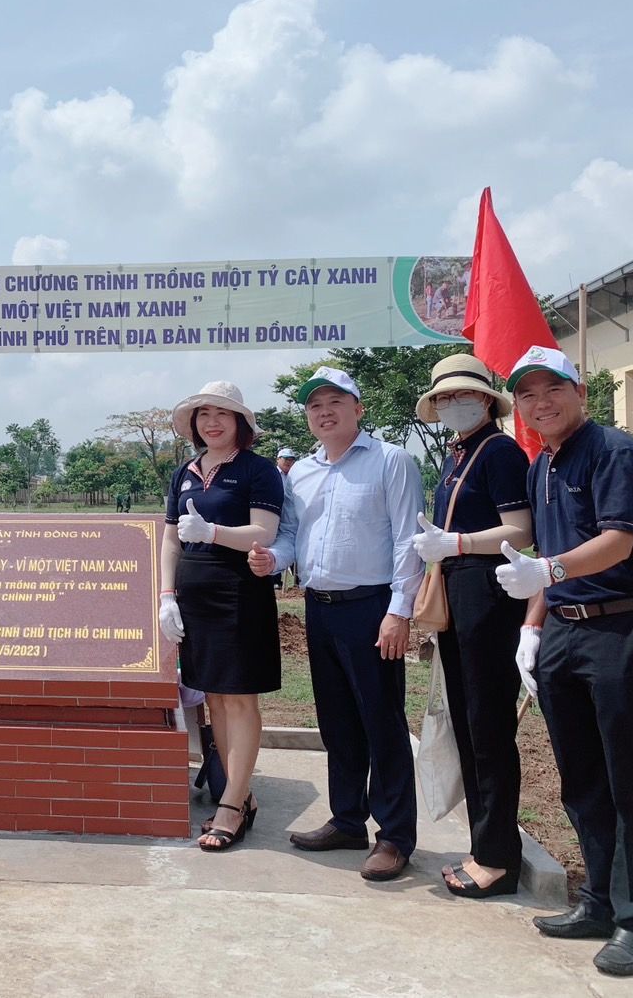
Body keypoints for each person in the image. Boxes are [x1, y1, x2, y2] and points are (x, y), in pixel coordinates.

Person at [496, 346, 633, 977]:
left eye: (552, 390)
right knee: (582, 776)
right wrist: (533, 626)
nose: (540, 403)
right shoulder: (540, 463)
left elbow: (616, 541)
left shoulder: (614, 451)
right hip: (567, 633)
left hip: (623, 626)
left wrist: (548, 569)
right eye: (526, 395)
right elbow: (542, 557)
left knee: (632, 777)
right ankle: (599, 901)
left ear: (581, 393)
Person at [250, 366, 422, 881]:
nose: (324, 412)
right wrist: (273, 561)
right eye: (314, 406)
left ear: (357, 409)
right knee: (337, 722)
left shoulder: (391, 461)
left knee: (382, 722)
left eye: (335, 402)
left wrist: (399, 610)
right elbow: (292, 536)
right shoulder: (300, 472)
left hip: (372, 608)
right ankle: (347, 819)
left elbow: (406, 542)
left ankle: (394, 835)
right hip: (319, 609)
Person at [408, 355, 532, 899]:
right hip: (458, 593)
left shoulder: (500, 451)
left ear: (486, 399)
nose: (452, 404)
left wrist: (455, 543)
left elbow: (520, 529)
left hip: (487, 593)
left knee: (488, 727)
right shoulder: (459, 454)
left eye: (463, 395)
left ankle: (498, 857)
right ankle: (488, 844)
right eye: (443, 399)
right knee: (468, 722)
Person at [157, 381, 281, 852]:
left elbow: (262, 532)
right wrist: (167, 595)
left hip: (239, 593)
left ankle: (231, 804)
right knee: (212, 697)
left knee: (239, 698)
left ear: (240, 424)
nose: (212, 422)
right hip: (193, 597)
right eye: (203, 414)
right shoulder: (183, 472)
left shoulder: (257, 470)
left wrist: (211, 532)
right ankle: (239, 794)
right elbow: (171, 538)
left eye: (222, 414)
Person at [274, 447, 300, 588]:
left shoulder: (295, 475)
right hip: (274, 515)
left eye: (291, 459)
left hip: (290, 516)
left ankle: (297, 580)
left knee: (294, 543)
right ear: (278, 459)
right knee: (274, 544)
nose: (288, 462)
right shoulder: (271, 474)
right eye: (286, 459)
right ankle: (276, 580)